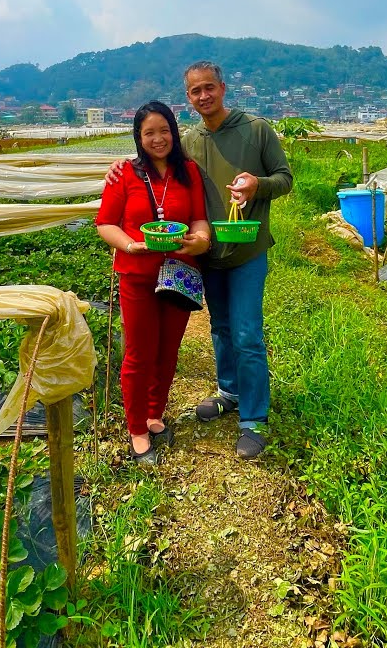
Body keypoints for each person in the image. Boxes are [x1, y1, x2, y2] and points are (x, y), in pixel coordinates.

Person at [107, 61, 293, 459]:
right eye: (195, 91)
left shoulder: (257, 129)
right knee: (221, 328)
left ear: (223, 88)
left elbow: (285, 179)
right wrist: (118, 166)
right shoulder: (188, 142)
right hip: (206, 256)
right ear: (188, 98)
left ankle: (254, 417)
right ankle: (229, 391)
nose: (204, 96)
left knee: (246, 334)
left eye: (210, 87)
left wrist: (257, 185)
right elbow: (153, 156)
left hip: (246, 249)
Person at [96, 101, 212, 464]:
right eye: (149, 133)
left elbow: (198, 219)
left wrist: (201, 239)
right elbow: (105, 223)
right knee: (139, 353)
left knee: (167, 351)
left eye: (164, 130)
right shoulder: (125, 174)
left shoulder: (188, 172)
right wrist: (131, 246)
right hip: (137, 276)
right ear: (139, 137)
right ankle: (137, 429)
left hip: (178, 275)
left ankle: (154, 414)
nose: (158, 138)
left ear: (174, 132)